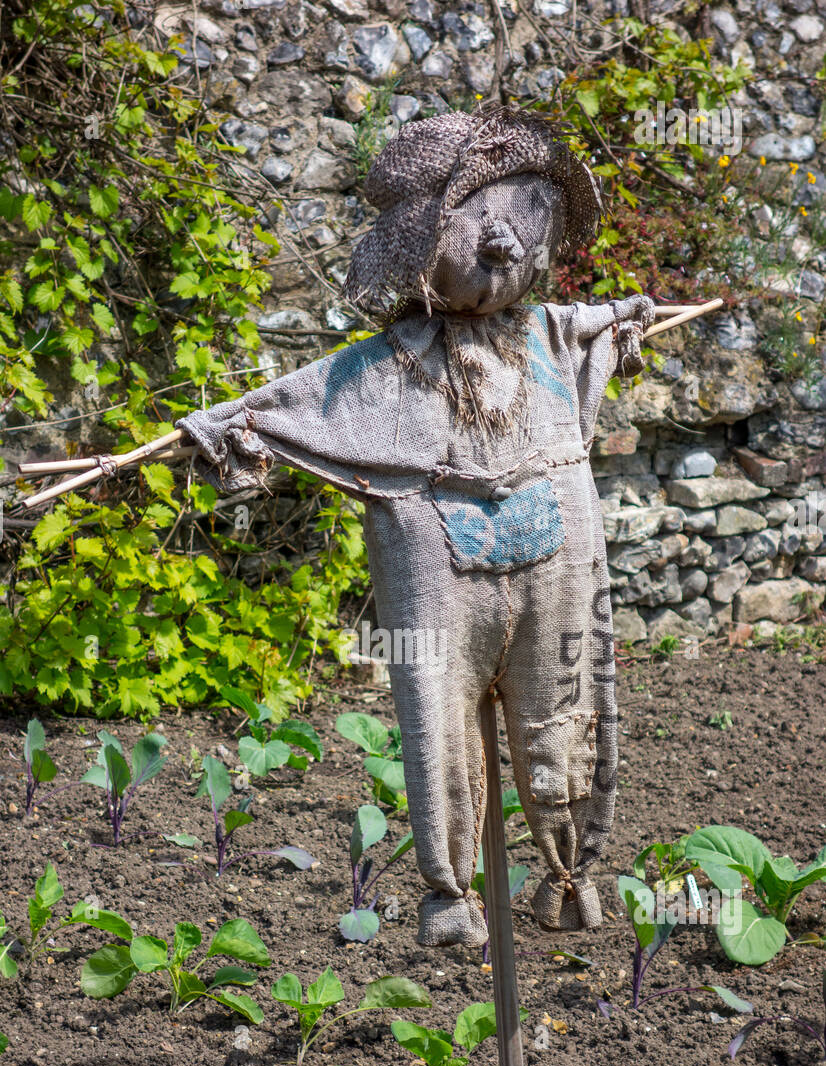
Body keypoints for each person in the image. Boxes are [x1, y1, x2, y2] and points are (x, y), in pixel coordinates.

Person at [180, 103, 655, 947]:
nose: (508, 246)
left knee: (569, 704)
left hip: (558, 575)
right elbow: (292, 407)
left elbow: (595, 325)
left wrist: (620, 323)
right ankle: (449, 891)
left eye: (525, 222)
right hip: (440, 585)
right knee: (435, 717)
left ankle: (569, 868)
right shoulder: (382, 370)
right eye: (480, 223)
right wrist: (234, 424)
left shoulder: (550, 336)